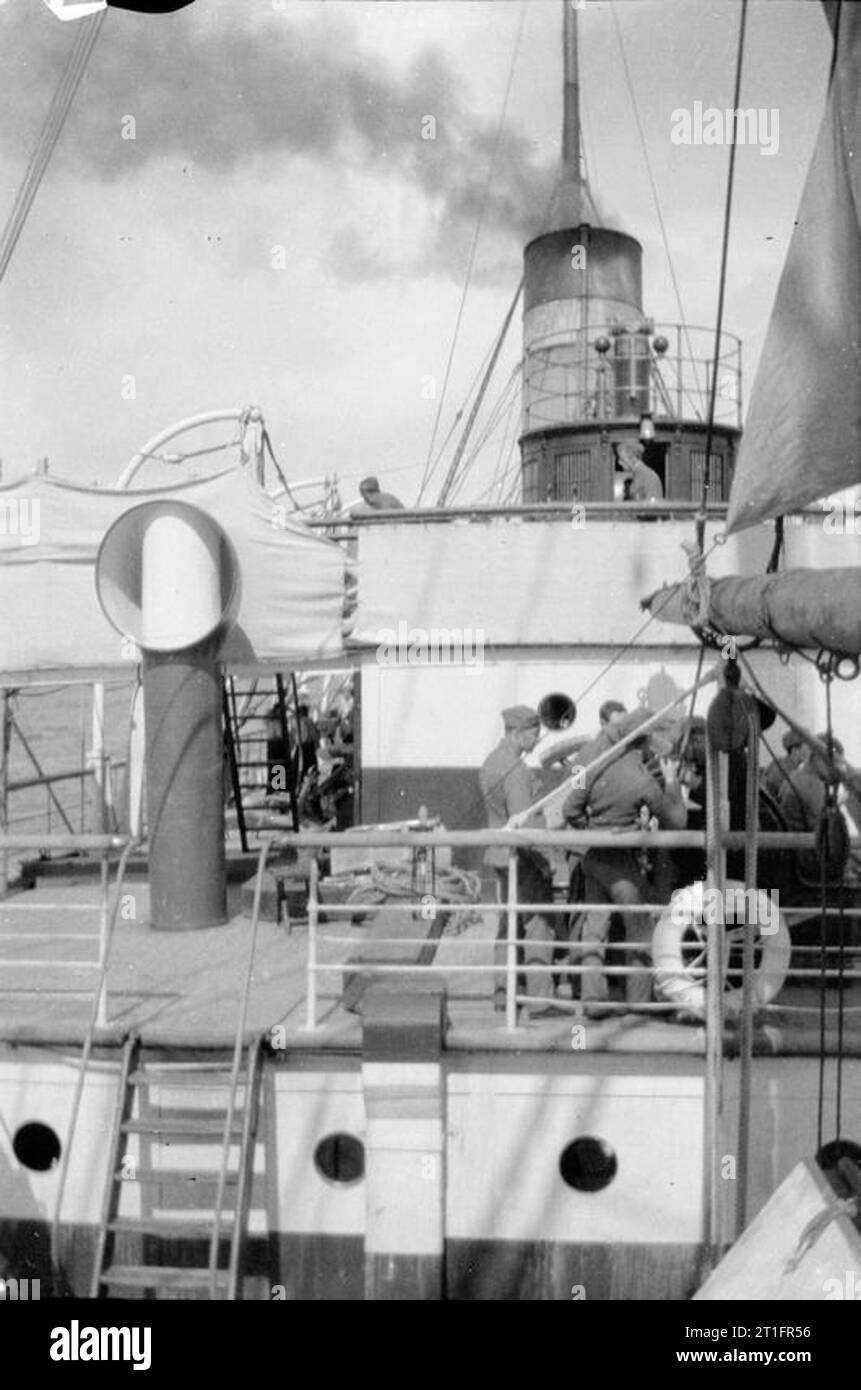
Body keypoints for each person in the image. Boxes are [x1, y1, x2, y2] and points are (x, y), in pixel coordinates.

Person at [562, 710, 687, 1017]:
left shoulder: (595, 764)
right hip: (621, 866)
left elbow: (570, 809)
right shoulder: (641, 779)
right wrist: (671, 783)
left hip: (593, 857)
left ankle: (592, 999)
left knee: (594, 931)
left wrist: (593, 830)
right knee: (640, 931)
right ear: (644, 743)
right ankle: (640, 1002)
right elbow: (676, 822)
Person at [479, 705, 556, 1011]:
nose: (537, 740)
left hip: (499, 855)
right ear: (517, 733)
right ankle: (540, 999)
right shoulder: (516, 770)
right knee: (538, 923)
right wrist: (545, 861)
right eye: (534, 733)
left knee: (508, 924)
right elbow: (523, 824)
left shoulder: (491, 762)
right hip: (522, 857)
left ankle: (503, 992)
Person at [763, 729, 806, 801]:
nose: (809, 751)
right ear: (795, 750)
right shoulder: (782, 768)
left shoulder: (780, 762)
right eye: (806, 747)